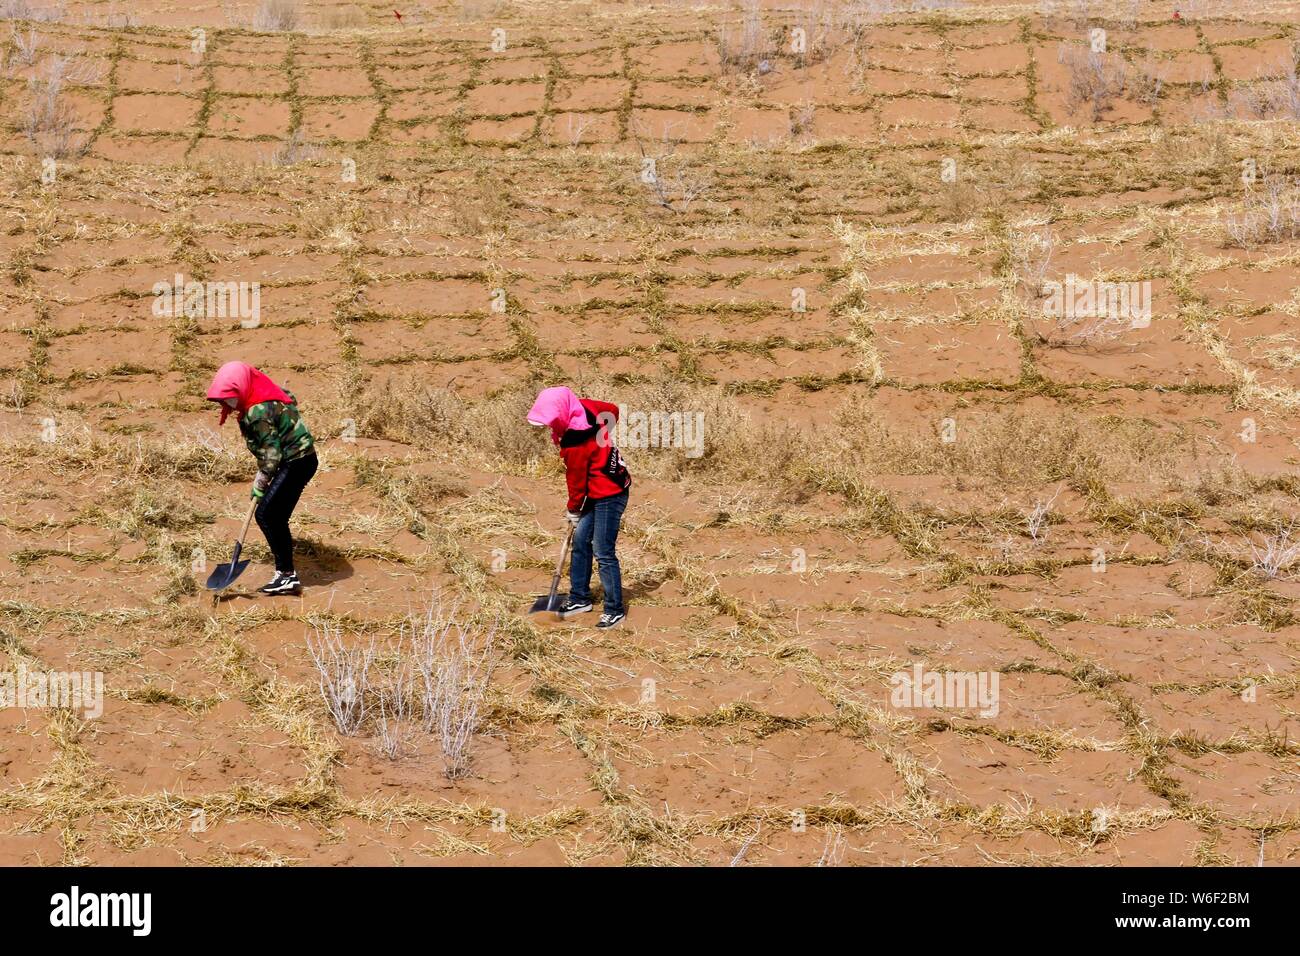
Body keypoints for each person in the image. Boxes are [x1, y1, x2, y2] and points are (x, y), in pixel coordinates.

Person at [206, 361, 317, 595]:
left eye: (230, 396)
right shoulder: (266, 393)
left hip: (296, 462)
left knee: (268, 514)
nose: (227, 403)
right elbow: (288, 403)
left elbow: (272, 453)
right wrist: (264, 477)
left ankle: (286, 575)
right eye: (223, 399)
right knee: (276, 515)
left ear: (241, 388)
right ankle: (286, 571)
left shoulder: (257, 411)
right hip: (299, 459)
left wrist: (261, 480)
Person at [527, 386, 631, 627]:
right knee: (581, 540)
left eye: (551, 421)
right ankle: (579, 598)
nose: (550, 426)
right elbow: (612, 410)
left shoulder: (575, 443)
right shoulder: (583, 407)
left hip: (610, 492)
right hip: (600, 485)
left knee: (603, 550)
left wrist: (574, 510)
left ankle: (615, 609)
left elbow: (577, 485)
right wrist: (603, 446)